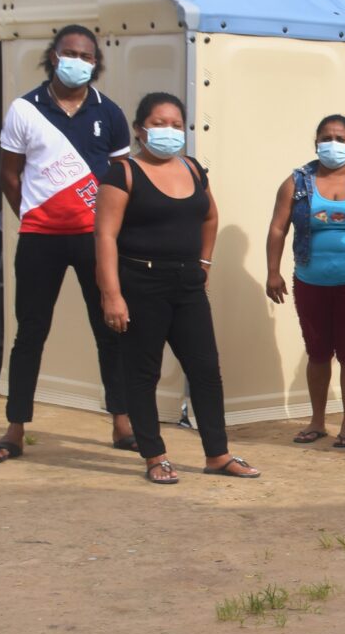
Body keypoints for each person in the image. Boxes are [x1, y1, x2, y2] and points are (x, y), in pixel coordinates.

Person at [0, 25, 134, 465]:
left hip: (96, 241)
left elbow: (124, 180)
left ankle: (122, 422)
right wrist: (31, 215)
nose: (78, 61)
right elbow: (8, 175)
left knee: (111, 331)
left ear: (96, 63)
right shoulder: (24, 109)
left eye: (86, 55)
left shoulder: (111, 113)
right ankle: (15, 429)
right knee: (30, 333)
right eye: (69, 53)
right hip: (39, 241)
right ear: (53, 57)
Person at [95, 93, 258, 483]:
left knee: (205, 370)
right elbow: (104, 236)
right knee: (142, 373)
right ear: (139, 129)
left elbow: (210, 216)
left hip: (187, 284)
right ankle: (154, 456)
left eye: (175, 124)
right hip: (140, 283)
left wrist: (204, 262)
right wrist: (111, 294)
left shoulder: (193, 168)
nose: (168, 131)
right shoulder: (122, 173)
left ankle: (217, 454)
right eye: (158, 123)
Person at [265, 114, 345, 448]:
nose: (332, 144)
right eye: (326, 137)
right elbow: (278, 227)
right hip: (310, 282)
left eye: (340, 138)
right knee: (318, 352)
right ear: (316, 144)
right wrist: (273, 271)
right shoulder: (296, 182)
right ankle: (317, 421)